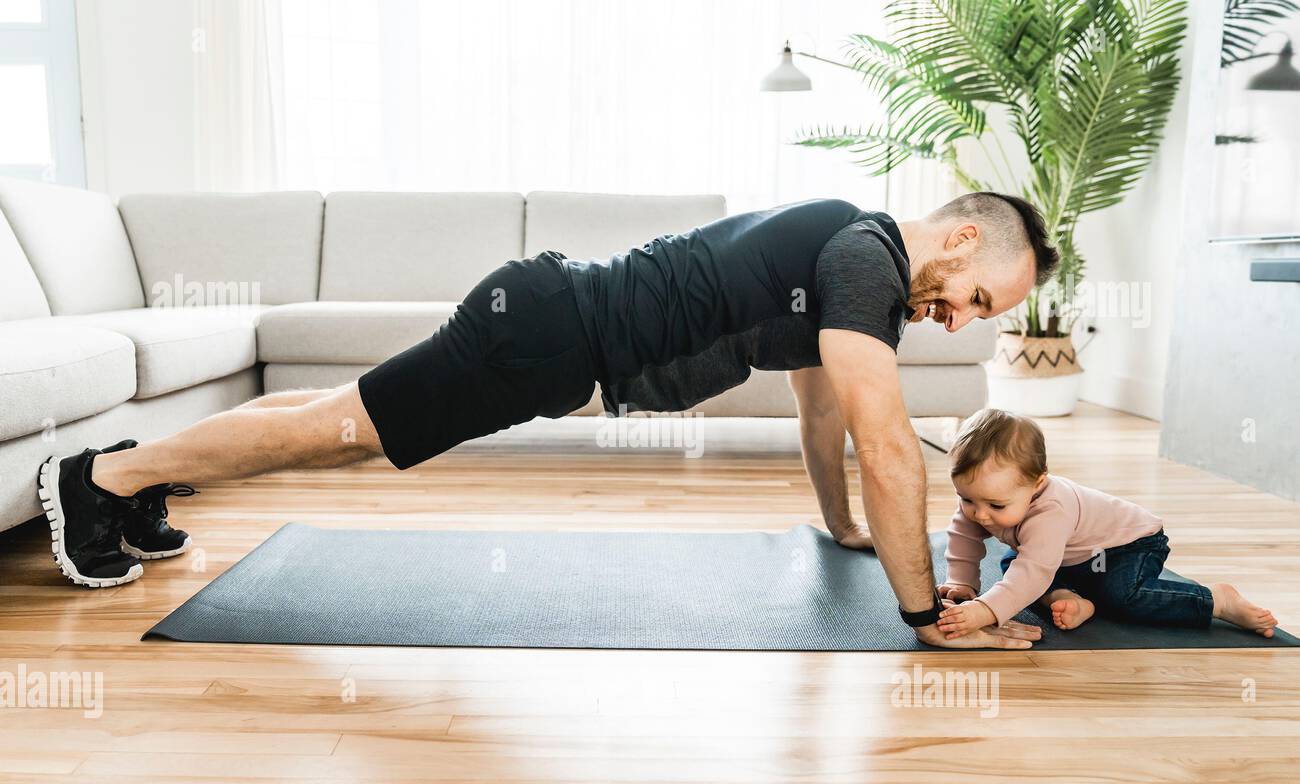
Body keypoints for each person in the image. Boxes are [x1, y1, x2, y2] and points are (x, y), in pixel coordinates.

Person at [41, 191, 1055, 650]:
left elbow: (825, 405)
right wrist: (923, 617)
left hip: (543, 317)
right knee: (343, 434)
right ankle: (100, 480)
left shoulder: (852, 251)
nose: (956, 320)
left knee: (334, 415)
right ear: (963, 237)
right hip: (546, 338)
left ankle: (138, 473)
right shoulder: (865, 264)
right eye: (974, 298)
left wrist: (841, 526)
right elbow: (887, 439)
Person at [935, 408, 1278, 639]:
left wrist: (985, 611)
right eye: (967, 499)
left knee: (1121, 595)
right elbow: (964, 535)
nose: (979, 513)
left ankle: (1216, 600)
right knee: (1016, 564)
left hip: (1130, 545)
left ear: (1037, 483)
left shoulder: (1051, 509)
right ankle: (1070, 597)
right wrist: (962, 582)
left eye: (996, 505)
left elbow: (1033, 573)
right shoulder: (982, 502)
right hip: (1076, 556)